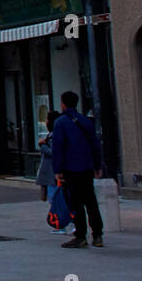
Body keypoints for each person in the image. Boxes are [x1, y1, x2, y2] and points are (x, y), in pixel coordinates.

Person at [50, 90, 103, 249]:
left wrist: (57, 169)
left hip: (70, 168)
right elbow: (95, 144)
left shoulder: (60, 122)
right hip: (86, 167)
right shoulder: (86, 121)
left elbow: (58, 147)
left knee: (76, 202)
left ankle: (80, 235)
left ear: (63, 104)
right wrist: (97, 165)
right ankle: (98, 234)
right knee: (91, 201)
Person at [36, 113, 57, 201]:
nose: (46, 122)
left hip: (52, 173)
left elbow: (52, 152)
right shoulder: (50, 135)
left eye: (47, 120)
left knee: (53, 198)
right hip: (50, 173)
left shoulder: (53, 136)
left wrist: (42, 145)